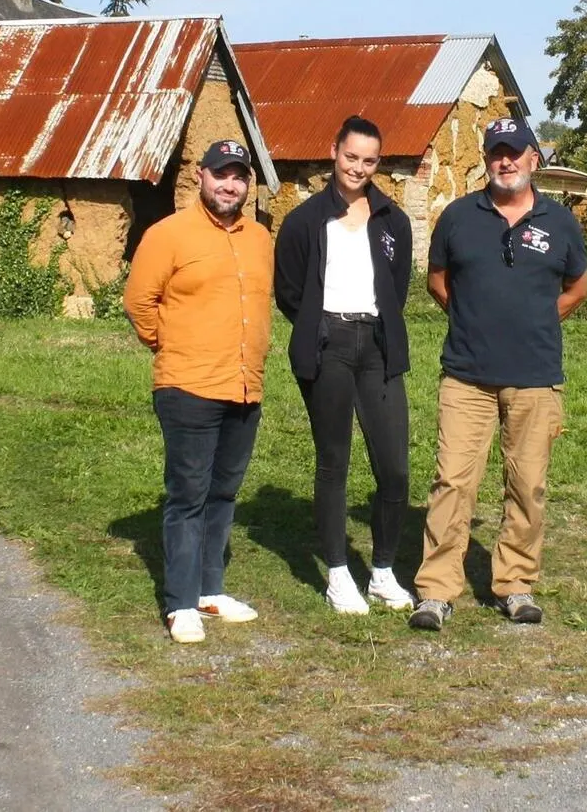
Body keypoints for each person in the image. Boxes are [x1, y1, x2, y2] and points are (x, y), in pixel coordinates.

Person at [409, 117, 587, 631]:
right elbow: (437, 282)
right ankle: (437, 591)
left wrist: (535, 321)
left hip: (535, 376)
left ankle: (515, 585)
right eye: (495, 153)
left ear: (535, 158)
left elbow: (577, 287)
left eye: (514, 152)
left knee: (527, 484)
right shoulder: (459, 217)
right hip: (466, 376)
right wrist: (474, 322)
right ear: (485, 160)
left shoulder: (559, 222)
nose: (505, 161)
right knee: (452, 482)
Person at [124, 139, 273, 644]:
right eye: (221, 175)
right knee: (188, 494)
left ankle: (211, 589)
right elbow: (140, 302)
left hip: (244, 384)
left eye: (239, 177)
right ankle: (180, 602)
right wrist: (176, 346)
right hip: (188, 384)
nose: (230, 185)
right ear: (200, 177)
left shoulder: (258, 238)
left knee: (223, 491)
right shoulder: (168, 234)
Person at [275, 116, 413, 614]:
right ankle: (337, 573)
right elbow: (289, 292)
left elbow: (397, 288)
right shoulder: (306, 220)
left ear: (379, 164)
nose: (358, 168)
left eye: (369, 160)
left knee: (395, 469)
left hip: (377, 346)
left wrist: (373, 327)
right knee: (334, 461)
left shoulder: (392, 220)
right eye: (351, 156)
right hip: (327, 344)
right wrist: (322, 325)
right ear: (334, 151)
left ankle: (382, 570)